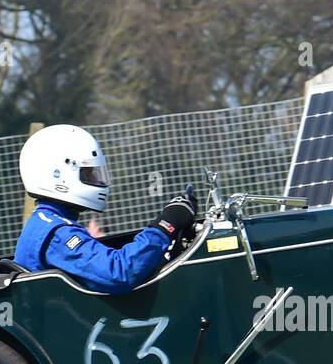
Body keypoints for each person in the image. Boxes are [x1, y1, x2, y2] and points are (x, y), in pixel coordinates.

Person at [13, 124, 197, 294]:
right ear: (58, 175)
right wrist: (165, 226)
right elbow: (119, 273)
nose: (96, 179)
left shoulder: (48, 222)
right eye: (87, 173)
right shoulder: (57, 234)